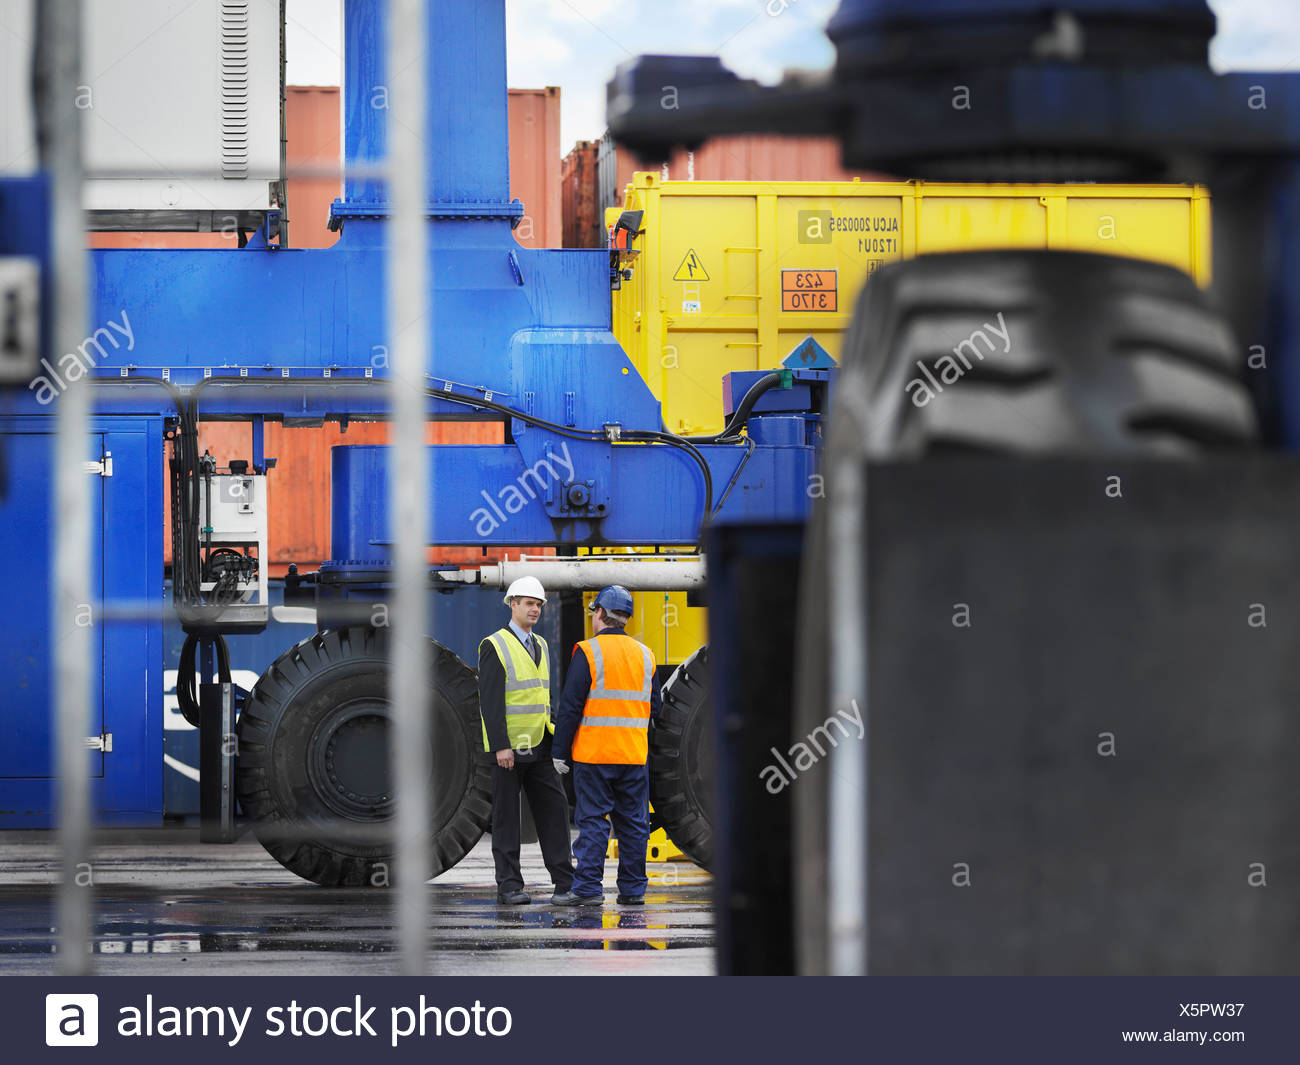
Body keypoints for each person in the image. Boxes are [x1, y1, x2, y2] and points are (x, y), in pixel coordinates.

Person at [551, 585, 662, 907]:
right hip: (632, 754)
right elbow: (655, 708)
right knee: (633, 824)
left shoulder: (588, 652)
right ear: (625, 618)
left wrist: (559, 750)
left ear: (599, 613)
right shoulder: (646, 654)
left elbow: (570, 706)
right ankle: (632, 891)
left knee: (594, 822)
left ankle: (587, 890)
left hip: (594, 754)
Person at [478, 575, 576, 905]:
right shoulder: (494, 645)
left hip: (540, 744)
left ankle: (564, 882)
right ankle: (509, 885)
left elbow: (542, 696)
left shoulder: (543, 645)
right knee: (507, 819)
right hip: (509, 749)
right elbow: (489, 701)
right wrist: (500, 745)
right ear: (513, 604)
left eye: (539, 605)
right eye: (529, 603)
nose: (535, 609)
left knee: (555, 811)